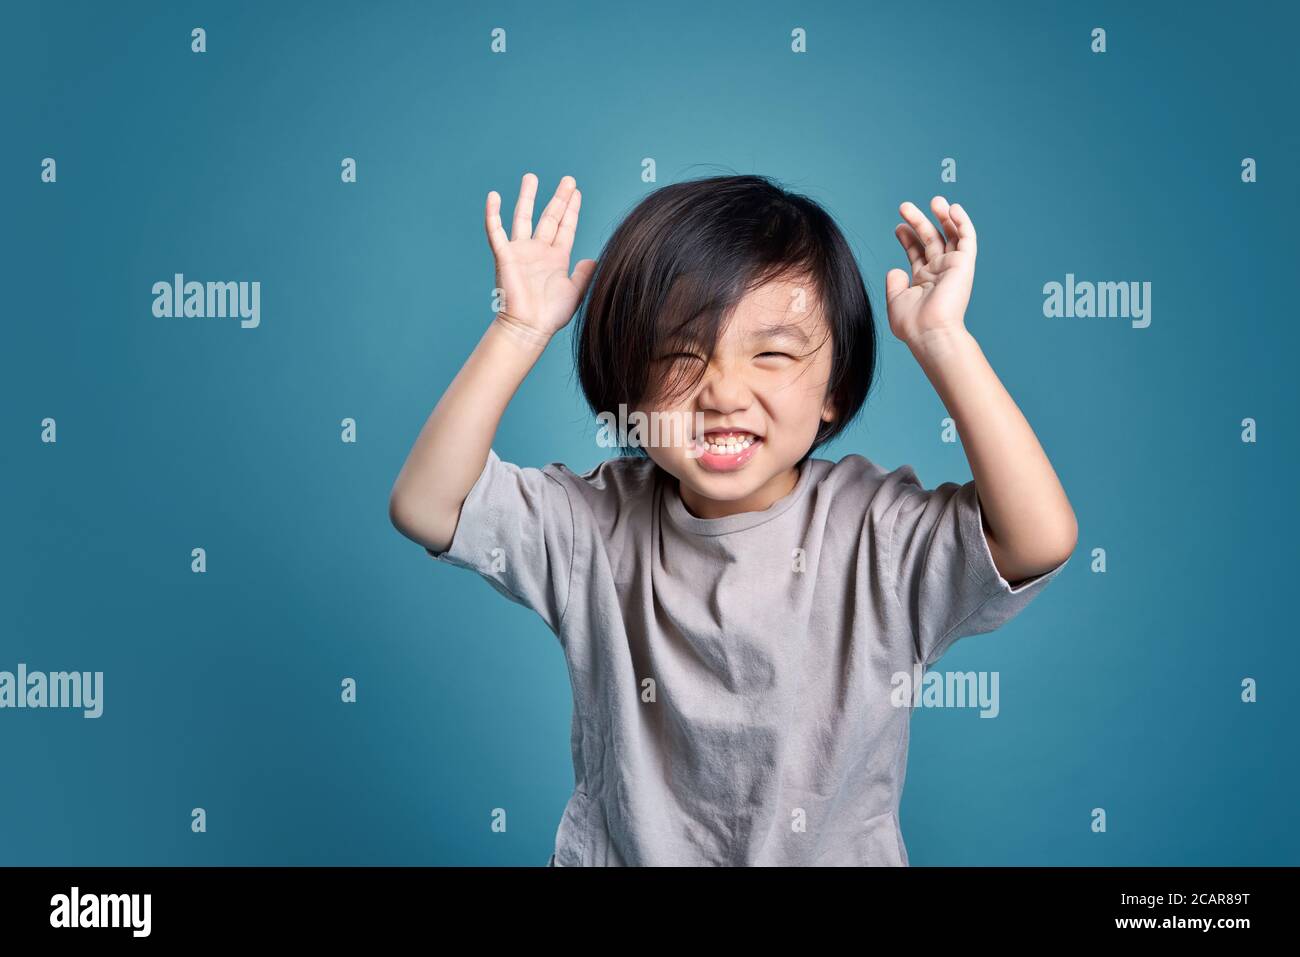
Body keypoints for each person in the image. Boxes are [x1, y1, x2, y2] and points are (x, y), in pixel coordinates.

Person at [389, 171, 1077, 865]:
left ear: (834, 389)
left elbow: (1037, 538)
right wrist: (518, 328)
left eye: (771, 352)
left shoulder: (877, 535)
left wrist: (943, 340)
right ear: (629, 380)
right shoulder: (590, 528)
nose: (722, 390)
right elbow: (427, 505)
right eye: (684, 353)